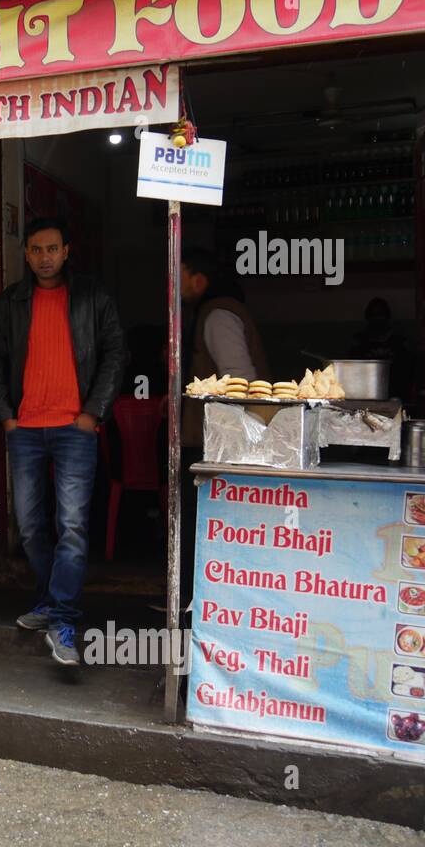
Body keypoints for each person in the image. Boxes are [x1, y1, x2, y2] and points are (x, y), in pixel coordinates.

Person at [0, 215, 128, 666]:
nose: (43, 257)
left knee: (71, 525)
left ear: (67, 251)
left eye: (52, 249)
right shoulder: (12, 301)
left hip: (73, 428)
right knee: (30, 526)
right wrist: (7, 418)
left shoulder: (91, 296)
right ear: (26, 254)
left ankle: (64, 616)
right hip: (24, 429)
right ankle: (49, 600)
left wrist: (92, 413)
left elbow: (115, 354)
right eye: (35, 250)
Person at [179, 246, 269, 610]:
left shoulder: (217, 315)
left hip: (218, 442)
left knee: (202, 522)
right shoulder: (212, 313)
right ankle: (191, 600)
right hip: (212, 438)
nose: (173, 283)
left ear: (199, 280)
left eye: (179, 274)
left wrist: (230, 444)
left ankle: (196, 604)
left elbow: (241, 380)